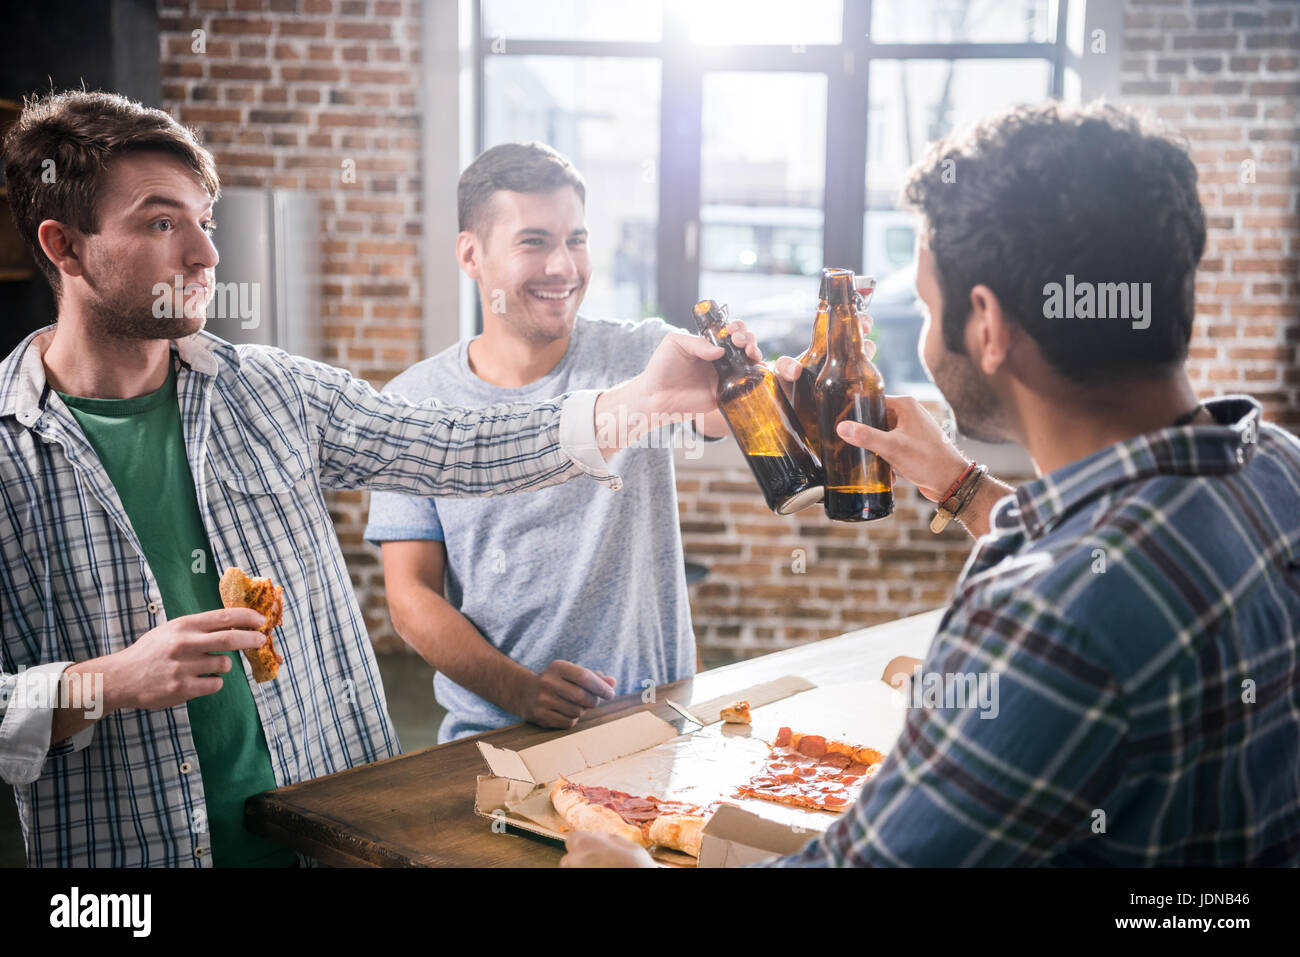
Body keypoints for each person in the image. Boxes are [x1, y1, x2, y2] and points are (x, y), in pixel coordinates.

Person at [0, 91, 767, 867]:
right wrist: (103, 682)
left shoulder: (273, 394)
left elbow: (456, 445)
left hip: (334, 835)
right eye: (163, 223)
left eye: (207, 221)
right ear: (64, 245)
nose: (205, 254)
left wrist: (639, 401)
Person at [562, 100, 1300, 867]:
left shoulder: (1043, 620)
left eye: (923, 302)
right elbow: (1121, 540)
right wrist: (961, 485)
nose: (918, 331)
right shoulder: (1276, 468)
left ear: (986, 323)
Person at [365, 143, 733, 742]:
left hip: (657, 726)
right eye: (534, 241)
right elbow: (410, 598)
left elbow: (711, 418)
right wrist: (522, 691)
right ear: (471, 254)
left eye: (577, 240)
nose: (564, 266)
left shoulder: (642, 355)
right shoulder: (414, 401)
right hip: (494, 736)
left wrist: (736, 390)